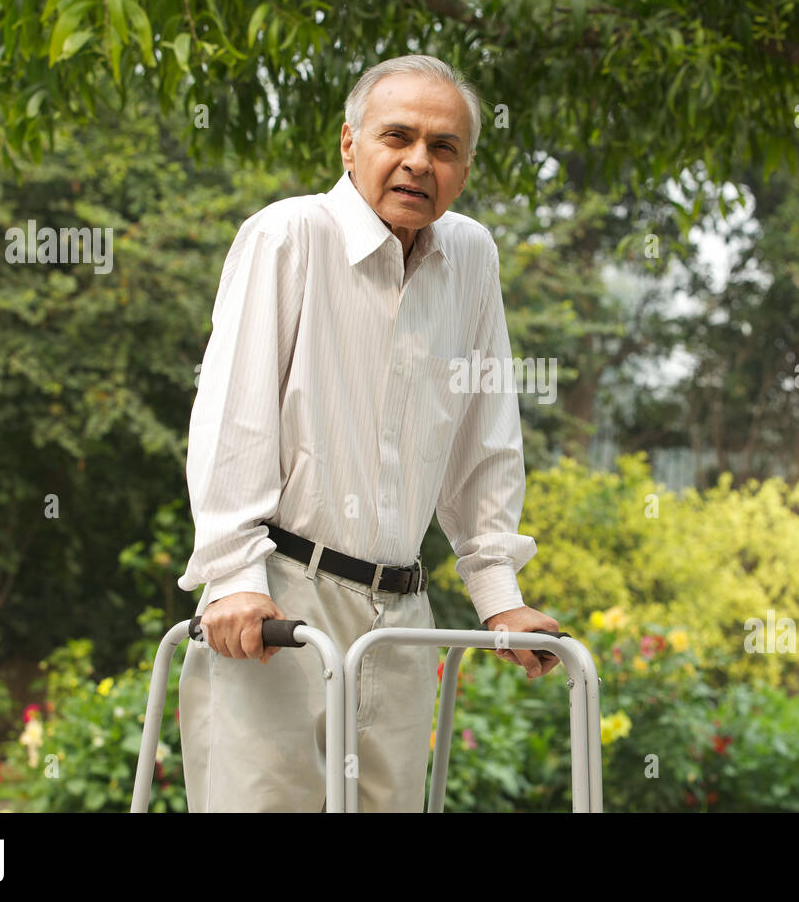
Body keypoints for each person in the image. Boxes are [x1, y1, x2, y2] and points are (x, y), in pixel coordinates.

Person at [175, 54, 561, 812]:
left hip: (402, 615)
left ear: (465, 166)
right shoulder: (288, 236)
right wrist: (233, 578)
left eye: (444, 148)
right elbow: (233, 412)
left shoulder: (471, 257)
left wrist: (498, 592)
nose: (420, 161)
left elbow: (485, 434)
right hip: (281, 601)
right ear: (350, 145)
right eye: (399, 137)